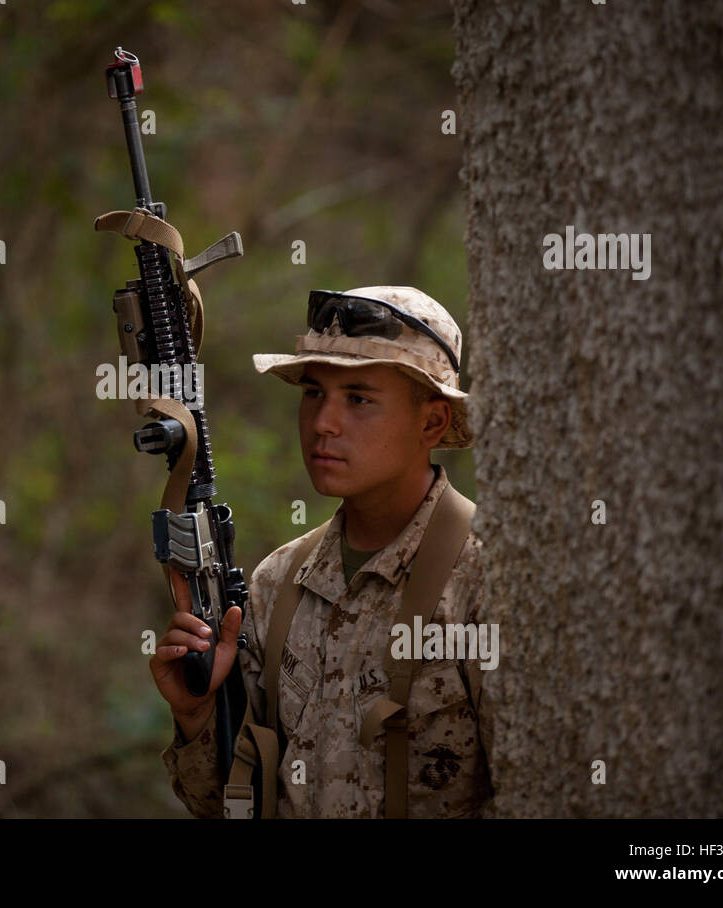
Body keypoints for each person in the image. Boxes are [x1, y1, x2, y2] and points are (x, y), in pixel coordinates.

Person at [150, 285, 493, 818]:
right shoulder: (277, 583)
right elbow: (228, 806)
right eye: (314, 393)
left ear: (431, 422)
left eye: (358, 398)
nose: (323, 423)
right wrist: (197, 714)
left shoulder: (487, 579)